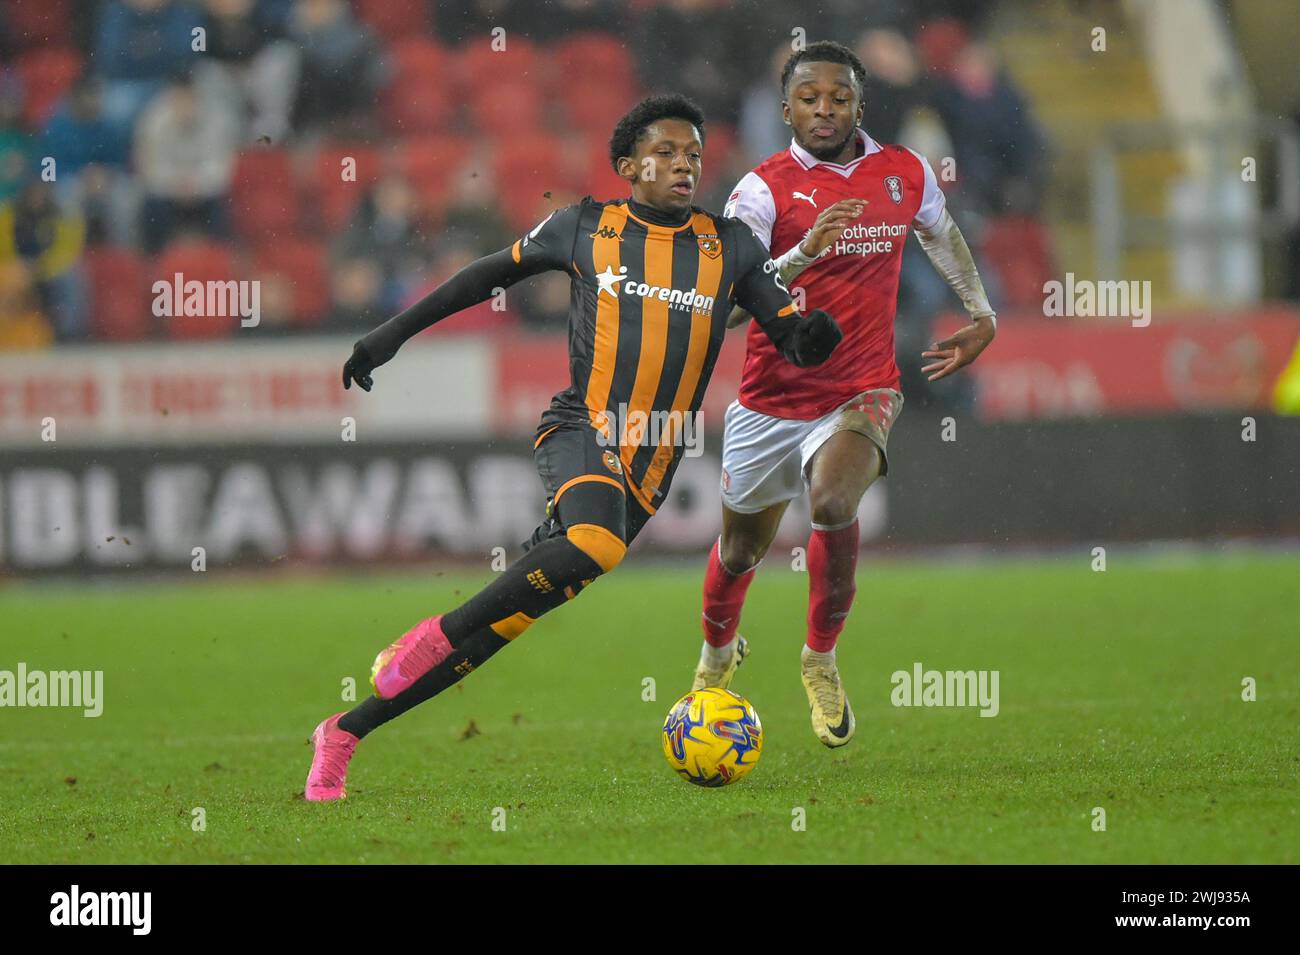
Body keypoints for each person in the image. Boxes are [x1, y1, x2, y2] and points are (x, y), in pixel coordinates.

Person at [304, 95, 844, 801]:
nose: (685, 163)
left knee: (509, 621)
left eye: (694, 154)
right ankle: (434, 631)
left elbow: (784, 329)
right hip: (582, 427)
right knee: (595, 544)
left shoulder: (732, 246)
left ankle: (344, 732)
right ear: (628, 165)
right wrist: (389, 336)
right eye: (667, 151)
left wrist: (813, 338)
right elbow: (485, 275)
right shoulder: (586, 226)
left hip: (653, 465)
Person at [691, 41, 997, 747]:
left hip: (862, 388)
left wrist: (982, 313)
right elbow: (731, 312)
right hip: (770, 399)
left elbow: (943, 235)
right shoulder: (761, 190)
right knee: (738, 552)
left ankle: (820, 659)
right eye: (808, 98)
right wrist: (803, 254)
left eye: (838, 97)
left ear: (860, 104)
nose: (823, 110)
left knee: (832, 503)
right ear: (785, 108)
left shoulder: (903, 171)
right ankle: (714, 658)